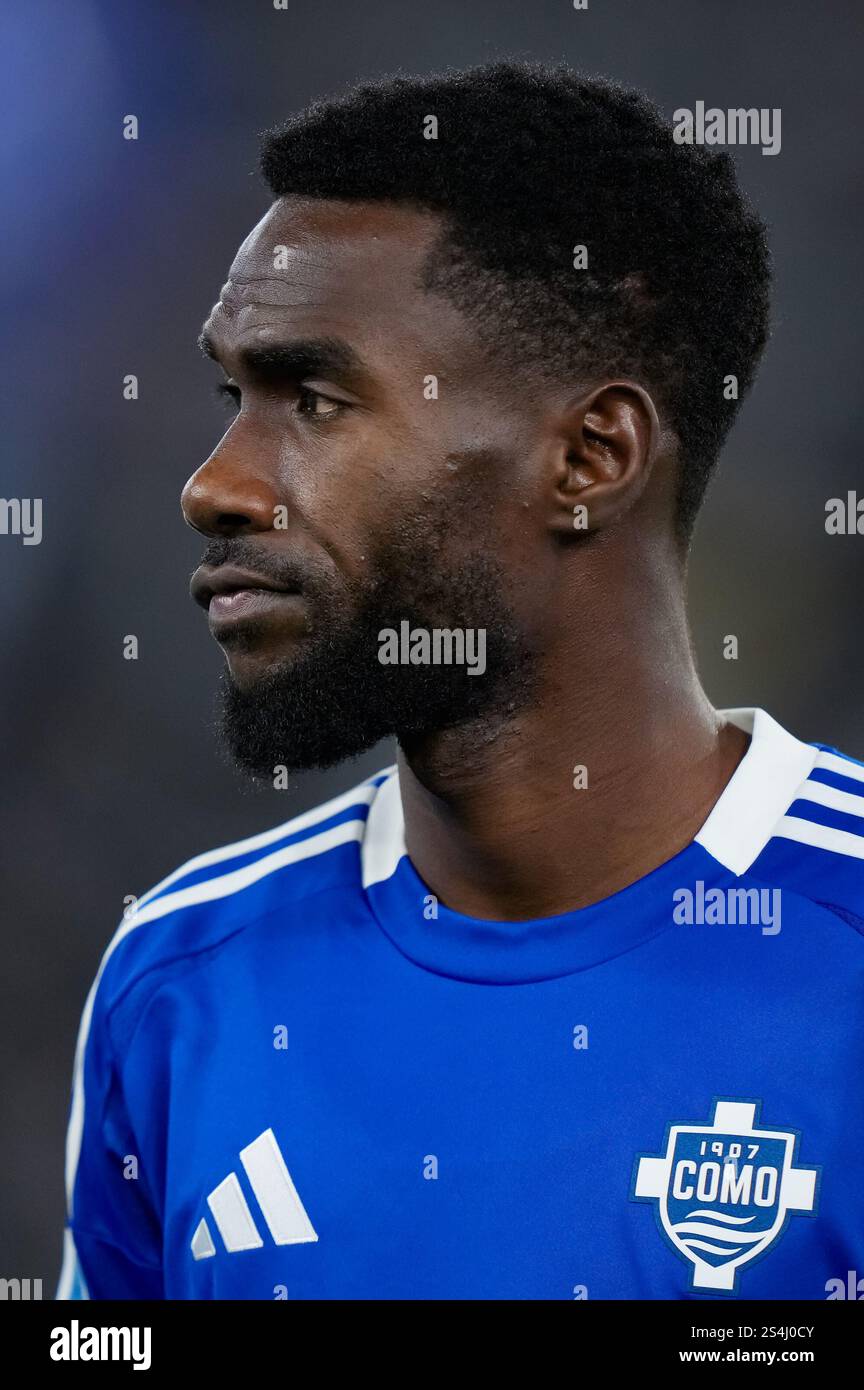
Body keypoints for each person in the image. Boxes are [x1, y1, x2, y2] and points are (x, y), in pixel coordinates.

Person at [57, 61, 862, 1301]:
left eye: (314, 400)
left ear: (591, 457)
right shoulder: (180, 975)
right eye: (236, 395)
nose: (214, 483)